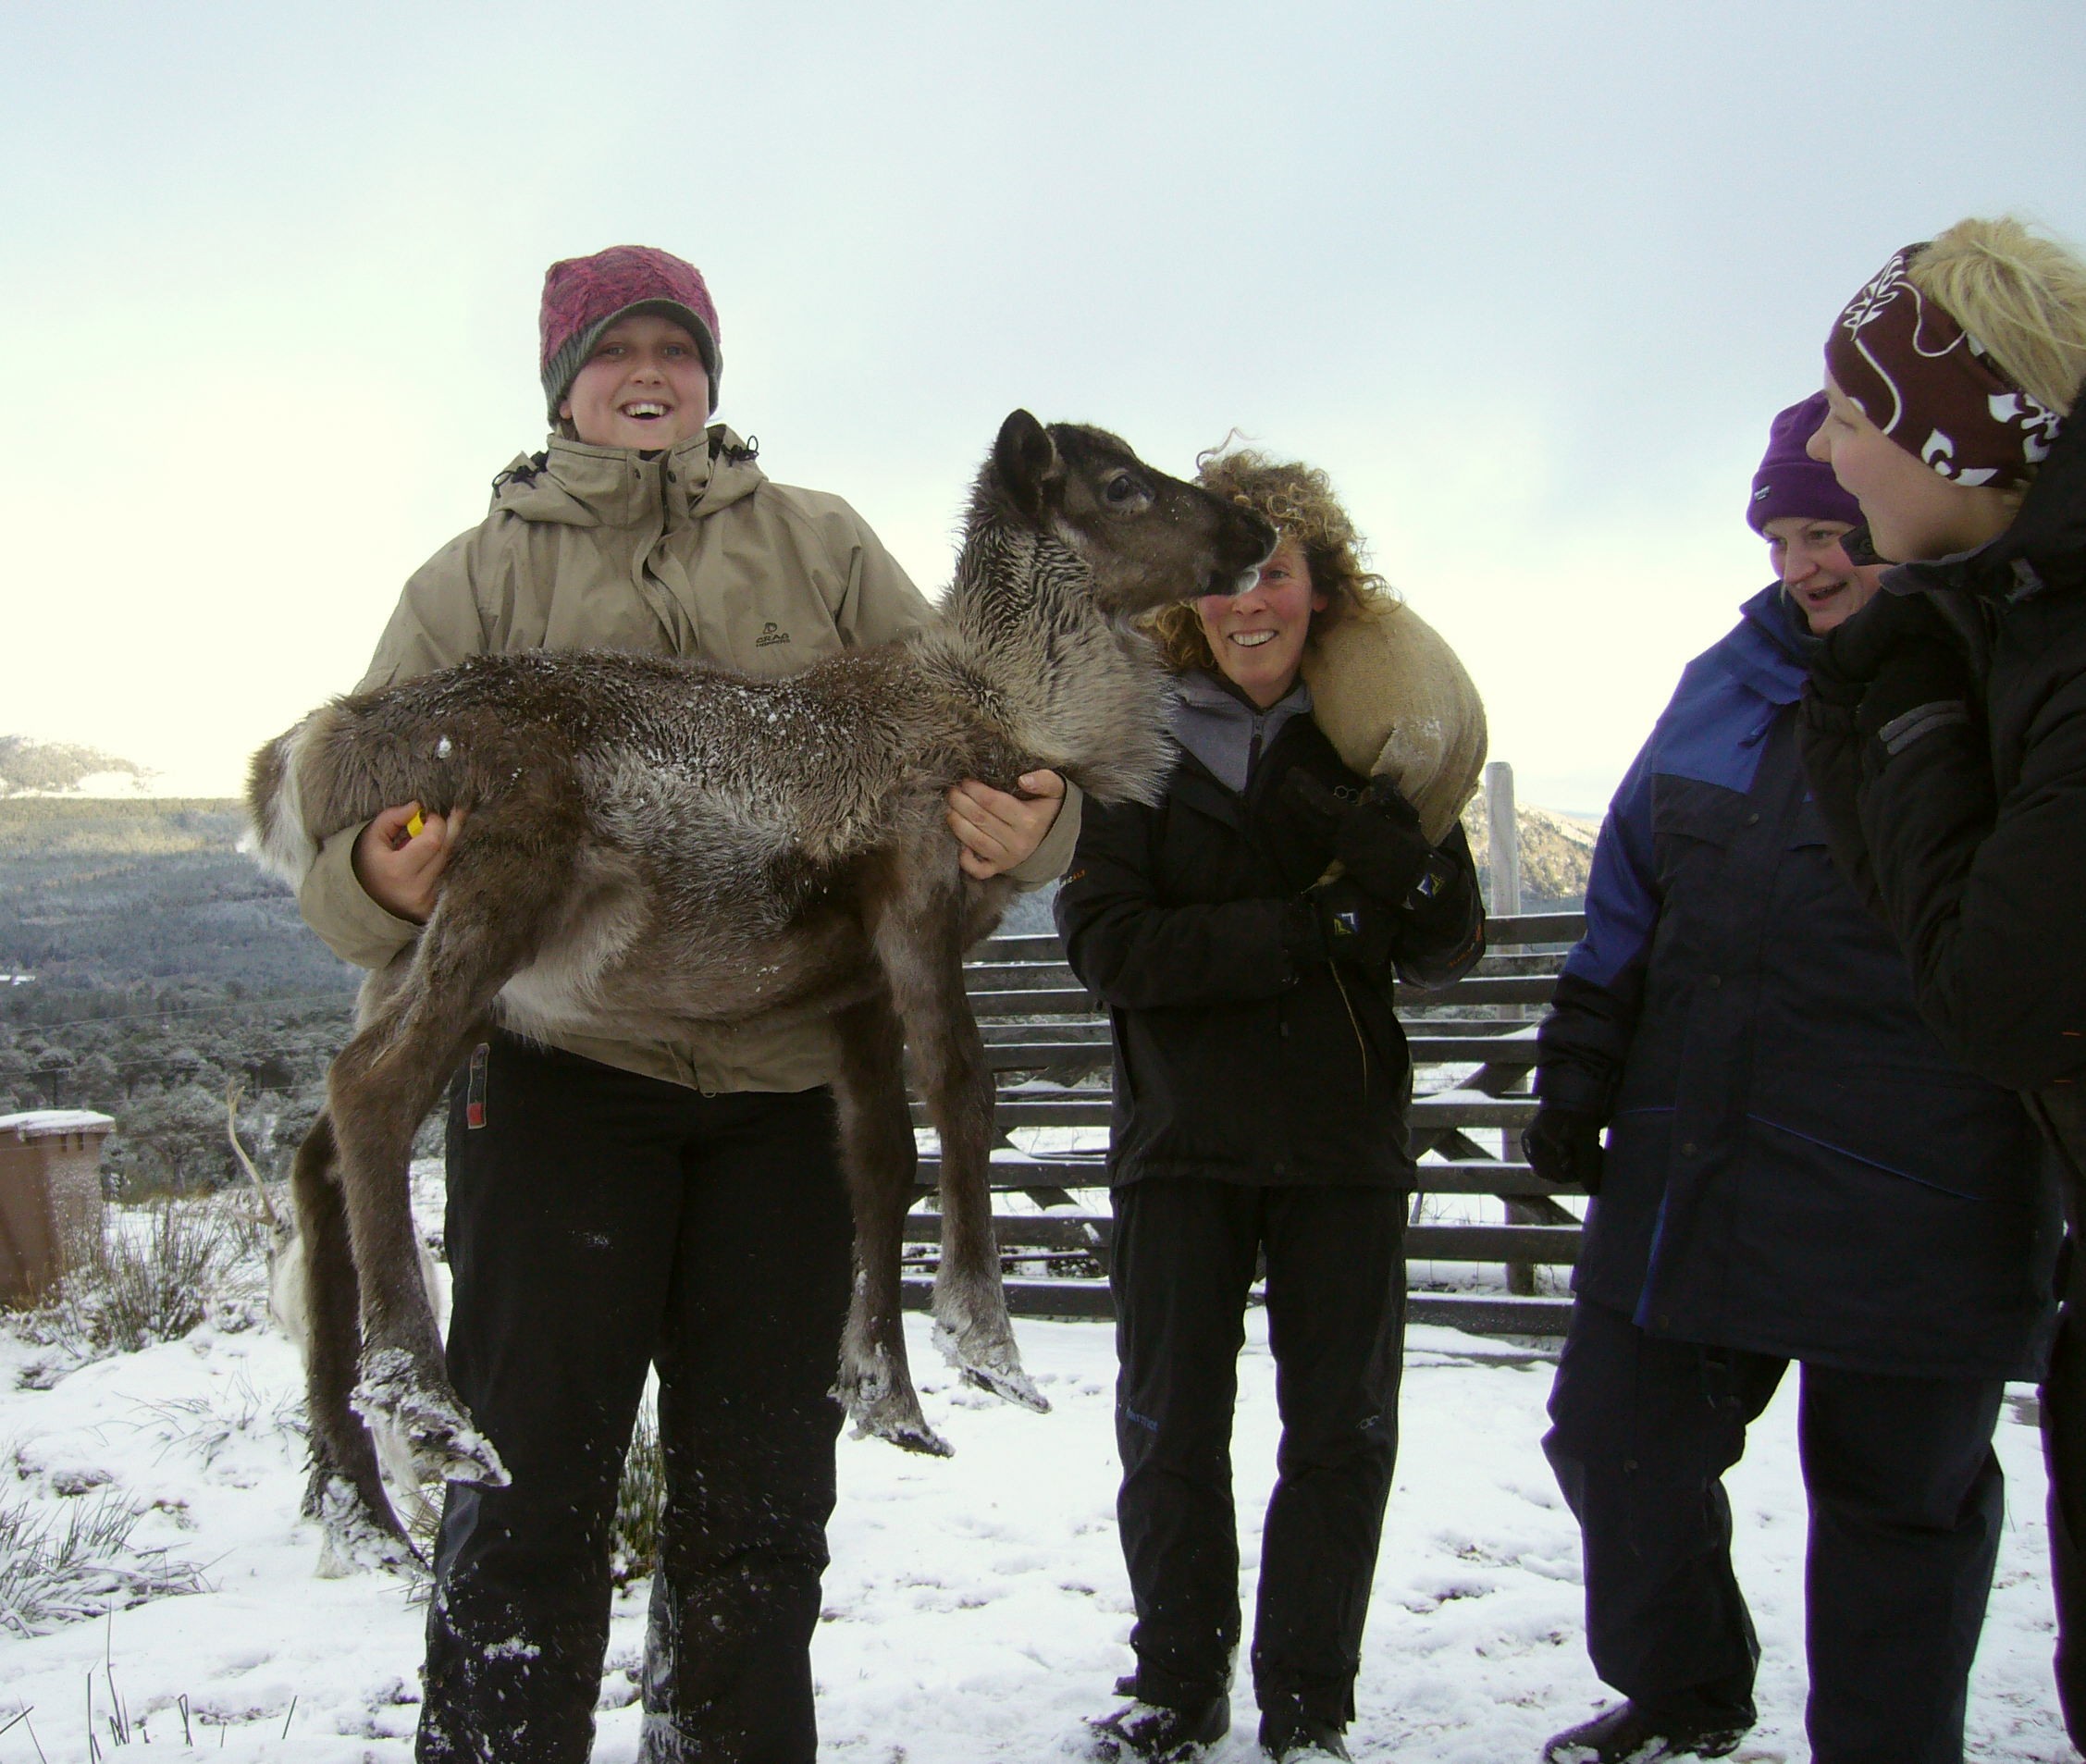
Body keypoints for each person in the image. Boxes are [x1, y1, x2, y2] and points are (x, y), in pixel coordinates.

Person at [292, 245, 1080, 1764]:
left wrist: (1037, 828)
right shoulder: (469, 582)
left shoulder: (824, 547)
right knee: (524, 1502)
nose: (647, 375)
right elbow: (343, 843)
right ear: (562, 386)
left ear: (712, 377)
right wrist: (379, 885)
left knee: (762, 1521)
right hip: (559, 1089)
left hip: (789, 1101)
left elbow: (983, 743)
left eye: (677, 349)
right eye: (613, 351)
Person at [1525, 394, 2058, 1764]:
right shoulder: (1731, 677)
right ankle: (1686, 1689)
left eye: (1833, 532)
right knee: (1614, 1439)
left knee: (1898, 1506)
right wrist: (1581, 1051)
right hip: (1698, 1154)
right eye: (1781, 540)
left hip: (1928, 1169)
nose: (1806, 566)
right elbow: (1631, 874)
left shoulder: (2004, 670)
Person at [1054, 450, 1485, 1764]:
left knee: (1340, 1435)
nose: (1250, 602)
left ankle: (1308, 1704)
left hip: (1340, 1139)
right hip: (1181, 1140)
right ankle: (1176, 1686)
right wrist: (1305, 933)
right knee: (1170, 1431)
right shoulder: (1130, 746)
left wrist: (1403, 871)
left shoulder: (1371, 737)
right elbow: (1109, 946)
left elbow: (1449, 943)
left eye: (1276, 573)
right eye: (1225, 576)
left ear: (1319, 591)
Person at [1796, 216, 2086, 1749]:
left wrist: (1902, 702)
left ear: (1952, 432)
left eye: (1855, 412)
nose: (1826, 451)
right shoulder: (2019, 624)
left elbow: (1996, 997)